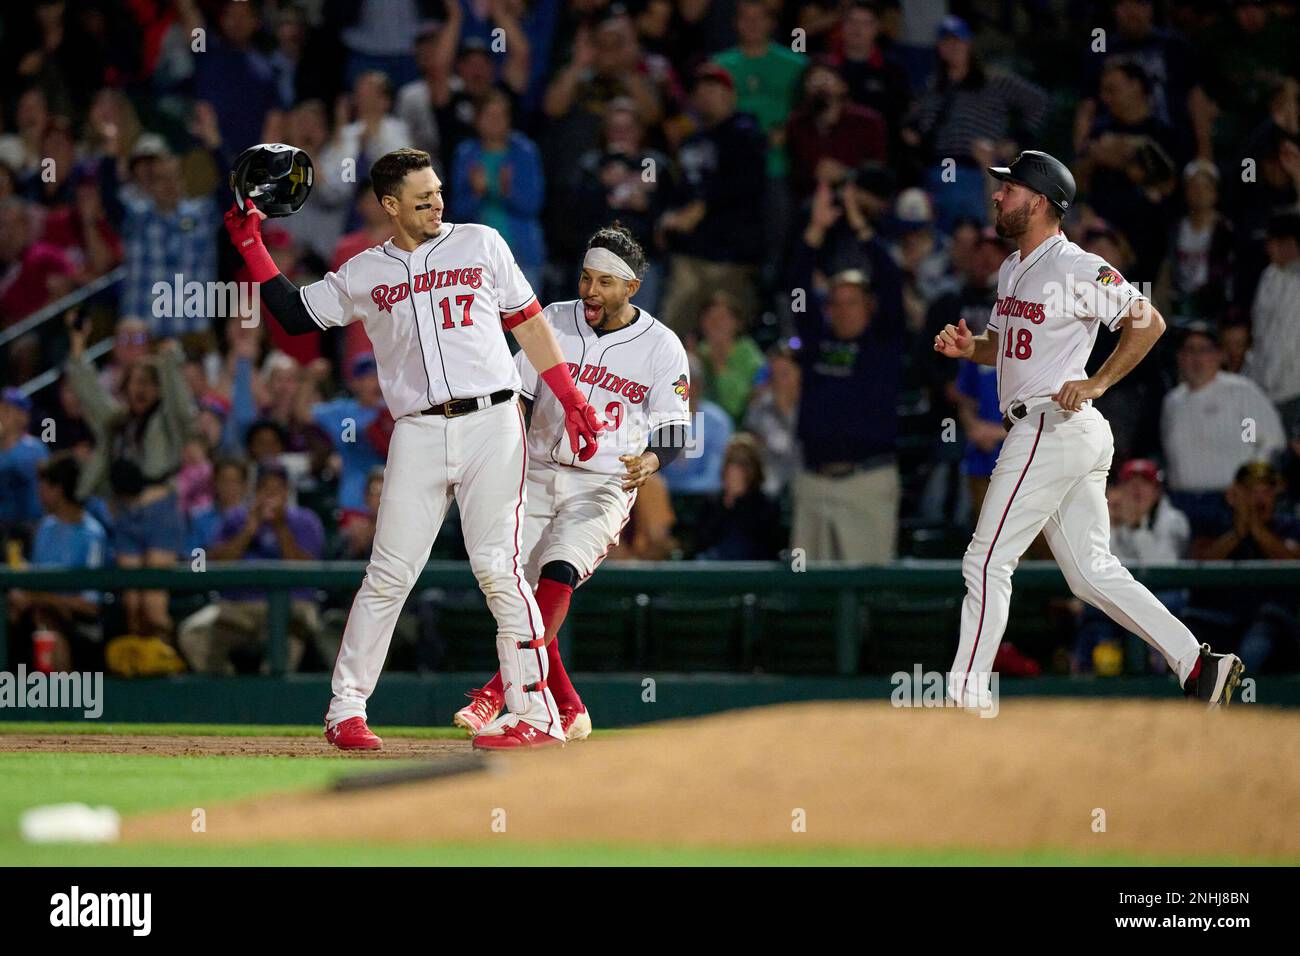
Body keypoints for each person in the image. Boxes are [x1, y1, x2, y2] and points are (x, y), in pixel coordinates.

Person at [223, 147, 606, 750]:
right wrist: (252, 247)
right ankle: (345, 711)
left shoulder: (480, 242)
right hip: (419, 430)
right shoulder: (364, 270)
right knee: (388, 574)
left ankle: (536, 715)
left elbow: (529, 322)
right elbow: (295, 317)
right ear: (390, 206)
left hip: (492, 421)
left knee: (497, 568)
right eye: (422, 198)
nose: (437, 204)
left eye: (439, 192)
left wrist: (570, 396)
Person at [933, 149, 1244, 709]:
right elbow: (1004, 346)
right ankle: (1199, 664)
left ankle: (965, 699)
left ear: (1043, 202)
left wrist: (1099, 380)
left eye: (1011, 188)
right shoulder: (1011, 267)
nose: (999, 195)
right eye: (1002, 187)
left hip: (1052, 426)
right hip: (1056, 430)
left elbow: (1148, 321)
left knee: (985, 559)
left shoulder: (1076, 265)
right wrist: (970, 348)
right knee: (1089, 571)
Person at [453, 224, 689, 743]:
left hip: (602, 485)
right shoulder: (551, 322)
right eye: (586, 277)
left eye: (605, 282)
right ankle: (568, 706)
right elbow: (514, 395)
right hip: (535, 472)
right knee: (522, 594)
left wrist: (651, 462)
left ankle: (500, 693)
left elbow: (674, 427)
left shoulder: (661, 345)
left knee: (557, 575)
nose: (590, 291)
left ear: (631, 287)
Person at [788, 180, 904, 563]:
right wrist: (815, 232)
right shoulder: (818, 341)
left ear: (868, 306)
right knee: (809, 591)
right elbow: (796, 290)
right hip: (813, 480)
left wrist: (861, 227)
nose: (843, 310)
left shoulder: (883, 341)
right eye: (835, 303)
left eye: (852, 302)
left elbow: (890, 280)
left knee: (867, 583)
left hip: (865, 481)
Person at [65, 325, 193, 640]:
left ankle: (171, 663)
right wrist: (78, 348)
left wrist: (170, 361)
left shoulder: (168, 420)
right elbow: (92, 396)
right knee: (132, 607)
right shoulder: (119, 421)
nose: (141, 389)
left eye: (149, 383)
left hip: (159, 511)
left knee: (153, 606)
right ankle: (140, 667)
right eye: (136, 382)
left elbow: (182, 405)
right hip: (125, 511)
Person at [177, 462, 324, 675]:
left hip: (290, 609)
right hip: (239, 609)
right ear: (255, 492)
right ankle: (228, 696)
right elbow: (213, 563)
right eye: (265, 489)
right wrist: (248, 530)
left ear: (287, 492)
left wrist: (280, 527)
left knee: (287, 644)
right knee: (193, 633)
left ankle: (270, 703)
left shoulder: (305, 520)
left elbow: (307, 570)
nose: (270, 496)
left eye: (277, 490)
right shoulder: (237, 519)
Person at [1160, 323, 1285, 537]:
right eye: (1189, 350)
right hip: (1182, 504)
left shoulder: (1240, 392)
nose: (1196, 358)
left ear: (1219, 355)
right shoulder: (1173, 402)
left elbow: (1262, 441)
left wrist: (1249, 487)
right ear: (1180, 357)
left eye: (1204, 350)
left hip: (1230, 504)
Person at [1073, 458, 1192, 674]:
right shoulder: (1111, 513)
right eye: (1130, 484)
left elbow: (1161, 570)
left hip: (1164, 595)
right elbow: (1102, 569)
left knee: (1163, 603)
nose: (1137, 490)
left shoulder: (1174, 520)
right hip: (1123, 597)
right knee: (1092, 608)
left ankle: (1160, 672)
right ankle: (1086, 676)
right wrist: (1111, 523)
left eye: (1144, 484)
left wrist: (1137, 527)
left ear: (1156, 491)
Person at [1190, 461, 1300, 674]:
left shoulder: (1289, 526)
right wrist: (1238, 532)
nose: (1259, 499)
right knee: (1186, 629)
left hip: (1273, 621)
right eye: (1251, 491)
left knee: (1258, 639)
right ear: (1234, 495)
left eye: (1266, 491)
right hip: (1218, 617)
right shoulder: (1214, 523)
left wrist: (1255, 528)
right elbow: (1201, 561)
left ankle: (1241, 699)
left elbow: (1289, 560)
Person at [6, 454, 107, 672]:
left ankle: (59, 703)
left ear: (58, 490)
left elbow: (89, 605)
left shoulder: (92, 534)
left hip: (76, 624)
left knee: (49, 629)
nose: (39, 493)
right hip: (35, 613)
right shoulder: (45, 528)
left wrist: (39, 599)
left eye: (43, 486)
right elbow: (34, 577)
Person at [1246, 211, 1300, 434]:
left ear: (1289, 244)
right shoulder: (1269, 276)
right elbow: (1260, 334)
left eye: (1272, 242)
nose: (1267, 248)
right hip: (1263, 389)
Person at [693, 434, 783, 560]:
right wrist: (726, 506)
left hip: (753, 570)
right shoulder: (712, 503)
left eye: (742, 464)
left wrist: (739, 502)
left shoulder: (766, 505)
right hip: (713, 569)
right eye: (731, 462)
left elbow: (766, 545)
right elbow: (701, 541)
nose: (735, 471)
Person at [0, 386, 49, 536]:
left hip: (30, 525)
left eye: (9, 410)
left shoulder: (35, 448)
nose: (2, 415)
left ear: (24, 416)